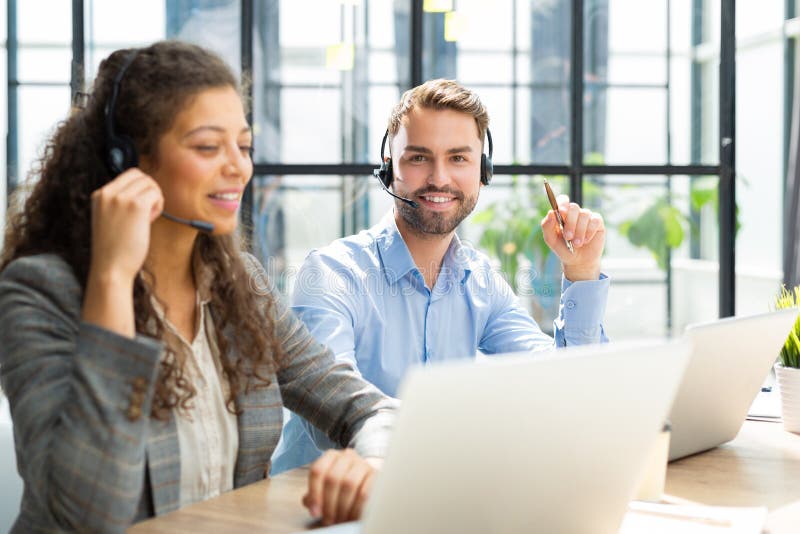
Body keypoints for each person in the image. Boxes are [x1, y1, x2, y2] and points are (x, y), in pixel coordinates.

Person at [0, 41, 396, 532]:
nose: (238, 168)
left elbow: (369, 408)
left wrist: (373, 466)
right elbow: (90, 511)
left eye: (244, 146)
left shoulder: (240, 285)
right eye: (208, 147)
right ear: (127, 160)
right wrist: (112, 278)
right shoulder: (39, 293)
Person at [273, 79, 610, 473]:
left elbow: (567, 388)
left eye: (459, 158)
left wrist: (582, 272)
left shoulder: (481, 282)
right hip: (322, 511)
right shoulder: (332, 274)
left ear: (483, 170)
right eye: (418, 158)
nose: (439, 178)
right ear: (388, 169)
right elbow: (328, 410)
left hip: (432, 499)